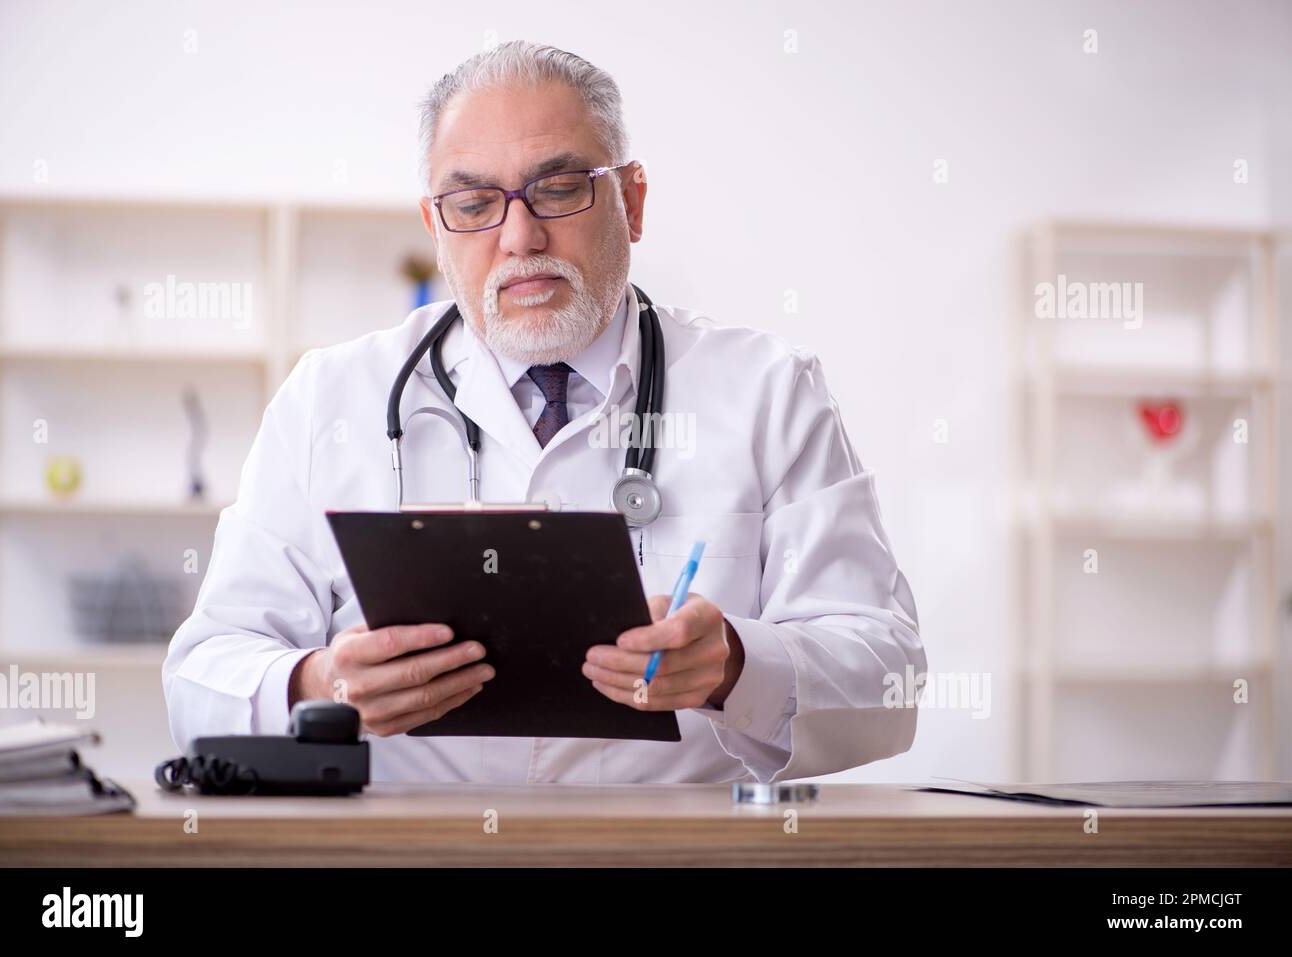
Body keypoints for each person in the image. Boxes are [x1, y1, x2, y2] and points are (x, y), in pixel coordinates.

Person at [163, 40, 925, 784]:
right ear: (435, 230)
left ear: (632, 200)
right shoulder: (327, 398)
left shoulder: (769, 391)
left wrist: (733, 664)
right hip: (410, 857)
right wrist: (320, 681)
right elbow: (200, 675)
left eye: (558, 189)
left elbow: (887, 670)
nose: (520, 237)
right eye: (474, 204)